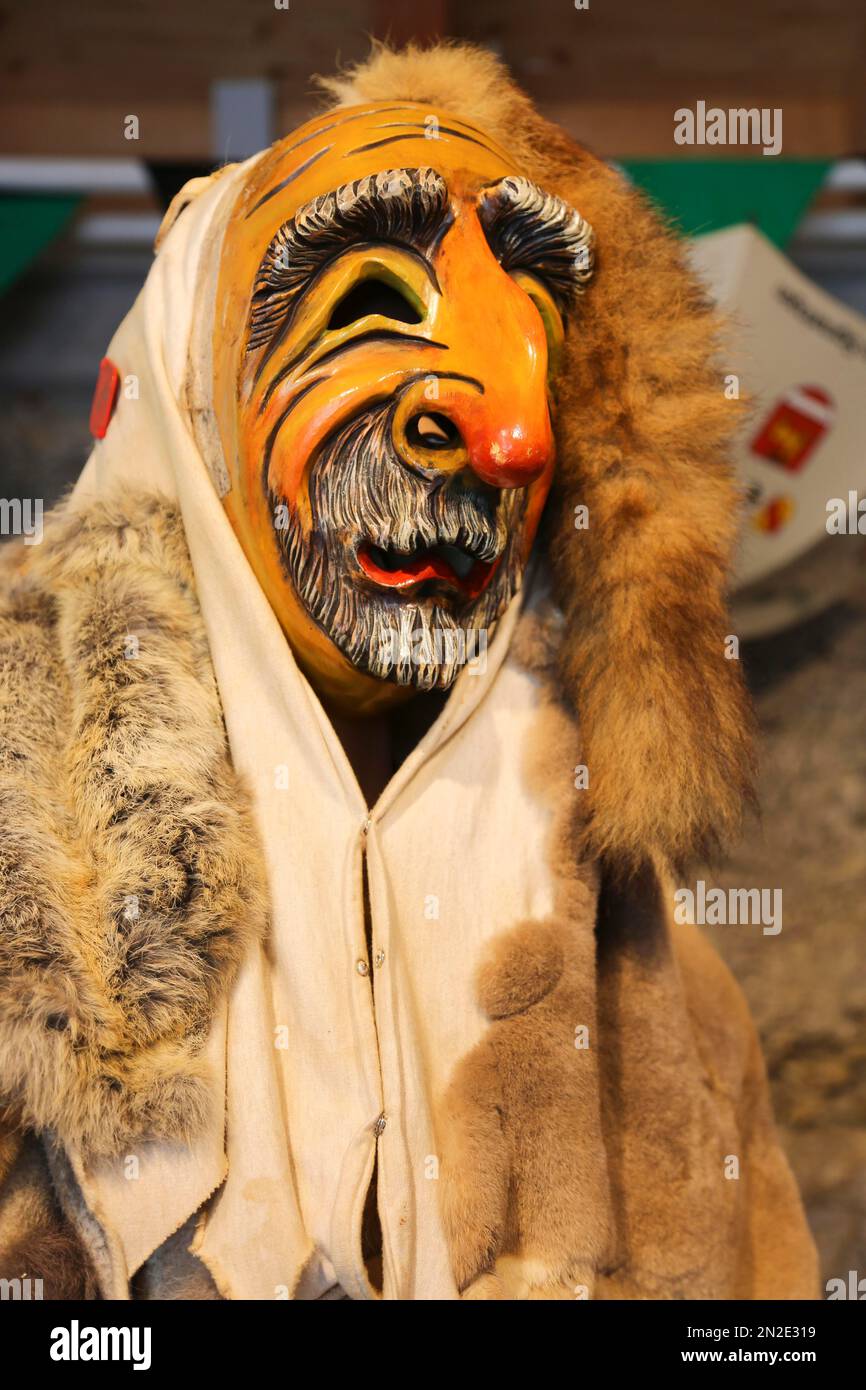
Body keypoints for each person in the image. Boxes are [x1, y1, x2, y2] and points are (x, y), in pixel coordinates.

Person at [0, 41, 817, 1300]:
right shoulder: (21, 894)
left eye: (531, 336)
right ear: (195, 394)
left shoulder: (642, 963)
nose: (506, 432)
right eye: (371, 304)